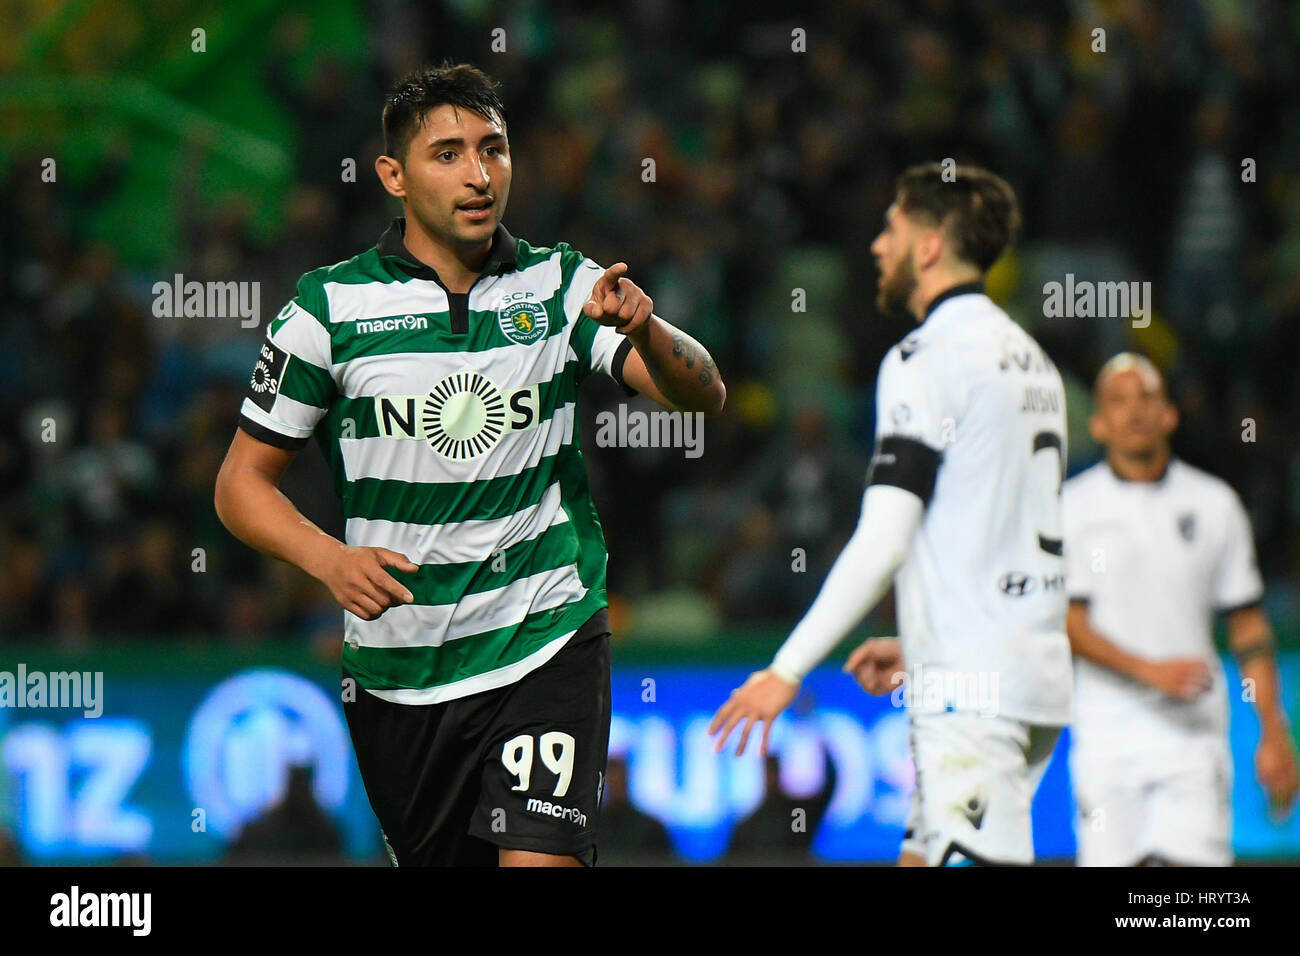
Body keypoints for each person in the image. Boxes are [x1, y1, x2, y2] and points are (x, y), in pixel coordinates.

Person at [214, 62, 725, 867]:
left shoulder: (559, 284)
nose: (479, 174)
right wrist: (327, 559)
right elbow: (240, 484)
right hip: (400, 671)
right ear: (393, 175)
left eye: (494, 149)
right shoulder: (327, 309)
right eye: (447, 154)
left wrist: (651, 330)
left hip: (545, 634)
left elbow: (702, 395)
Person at [710, 162, 1072, 865]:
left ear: (930, 244)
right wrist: (921, 644)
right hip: (1024, 676)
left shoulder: (927, 356)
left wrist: (787, 668)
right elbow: (997, 536)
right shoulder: (1031, 360)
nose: (877, 245)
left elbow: (884, 536)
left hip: (973, 698)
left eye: (892, 227)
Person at [1063, 352, 1298, 866]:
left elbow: (1248, 628)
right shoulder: (1071, 507)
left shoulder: (1216, 504)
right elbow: (1068, 624)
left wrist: (1273, 731)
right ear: (1099, 423)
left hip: (1193, 743)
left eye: (1147, 397)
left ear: (1170, 414)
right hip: (1107, 738)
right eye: (1118, 401)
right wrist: (1149, 671)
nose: (1134, 411)